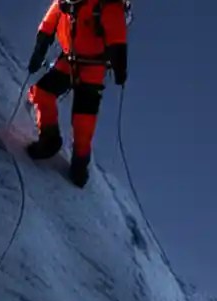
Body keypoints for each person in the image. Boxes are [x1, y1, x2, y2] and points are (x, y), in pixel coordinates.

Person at [25, 0, 130, 187]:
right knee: (42, 93)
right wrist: (40, 47)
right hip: (69, 61)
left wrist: (119, 66)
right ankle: (49, 138)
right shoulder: (63, 2)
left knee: (84, 121)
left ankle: (80, 163)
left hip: (92, 68)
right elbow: (49, 23)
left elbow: (116, 38)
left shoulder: (107, 4)